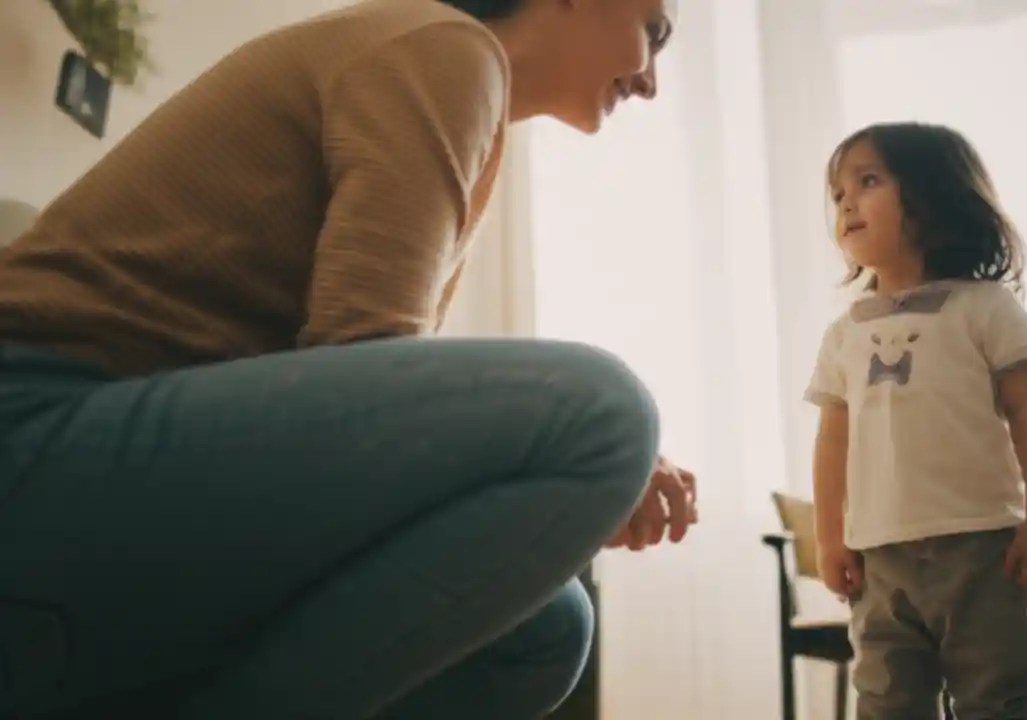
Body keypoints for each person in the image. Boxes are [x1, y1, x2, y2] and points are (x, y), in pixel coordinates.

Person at [0, 0, 696, 718]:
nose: (651, 83)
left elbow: (364, 401)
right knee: (606, 412)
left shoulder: (460, 86)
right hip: (31, 434)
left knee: (548, 629)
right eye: (655, 32)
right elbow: (364, 356)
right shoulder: (446, 49)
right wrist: (594, 459)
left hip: (103, 484)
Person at [806, 122, 1027, 719]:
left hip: (983, 551)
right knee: (886, 703)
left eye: (867, 181)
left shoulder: (985, 308)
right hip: (879, 560)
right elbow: (832, 442)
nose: (846, 201)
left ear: (933, 198)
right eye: (838, 193)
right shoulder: (844, 333)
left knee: (996, 697)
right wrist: (830, 538)